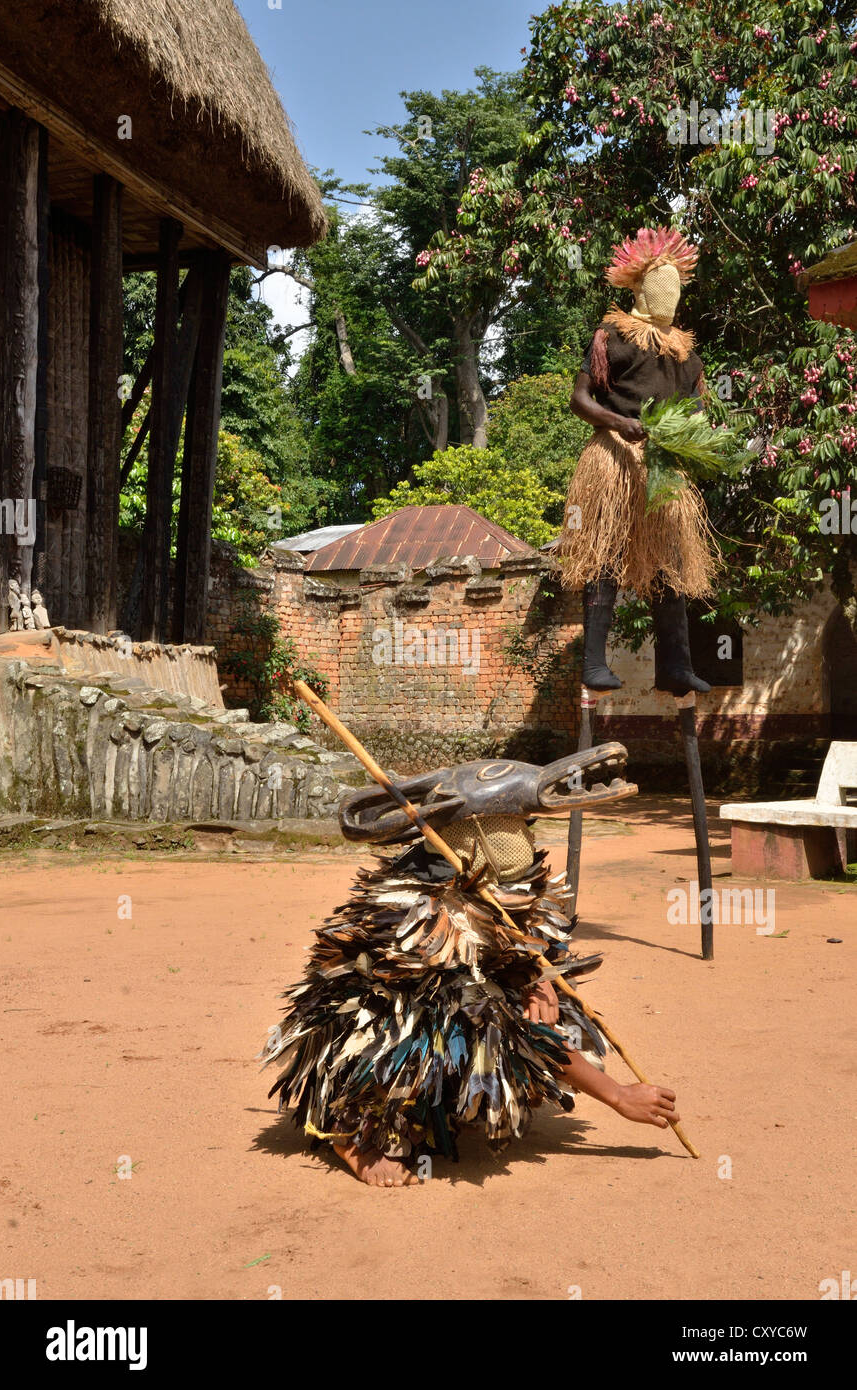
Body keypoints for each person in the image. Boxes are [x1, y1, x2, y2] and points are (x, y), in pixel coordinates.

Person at [258, 747, 679, 1187]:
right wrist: (617, 1095)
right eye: (503, 830)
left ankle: (439, 1107)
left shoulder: (505, 888)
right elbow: (495, 1012)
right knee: (476, 1026)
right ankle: (355, 1134)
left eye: (520, 828)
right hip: (384, 1024)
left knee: (557, 1005)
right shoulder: (419, 911)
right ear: (469, 839)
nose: (521, 843)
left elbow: (532, 955)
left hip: (460, 1000)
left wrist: (539, 976)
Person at [560, 225, 719, 697]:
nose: (667, 297)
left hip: (664, 468)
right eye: (659, 288)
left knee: (669, 564)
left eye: (674, 289)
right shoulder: (612, 334)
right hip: (615, 460)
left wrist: (700, 437)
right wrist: (616, 422)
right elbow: (579, 399)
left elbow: (698, 408)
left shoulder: (687, 353)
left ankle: (675, 667)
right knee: (604, 558)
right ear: (641, 289)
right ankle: (593, 663)